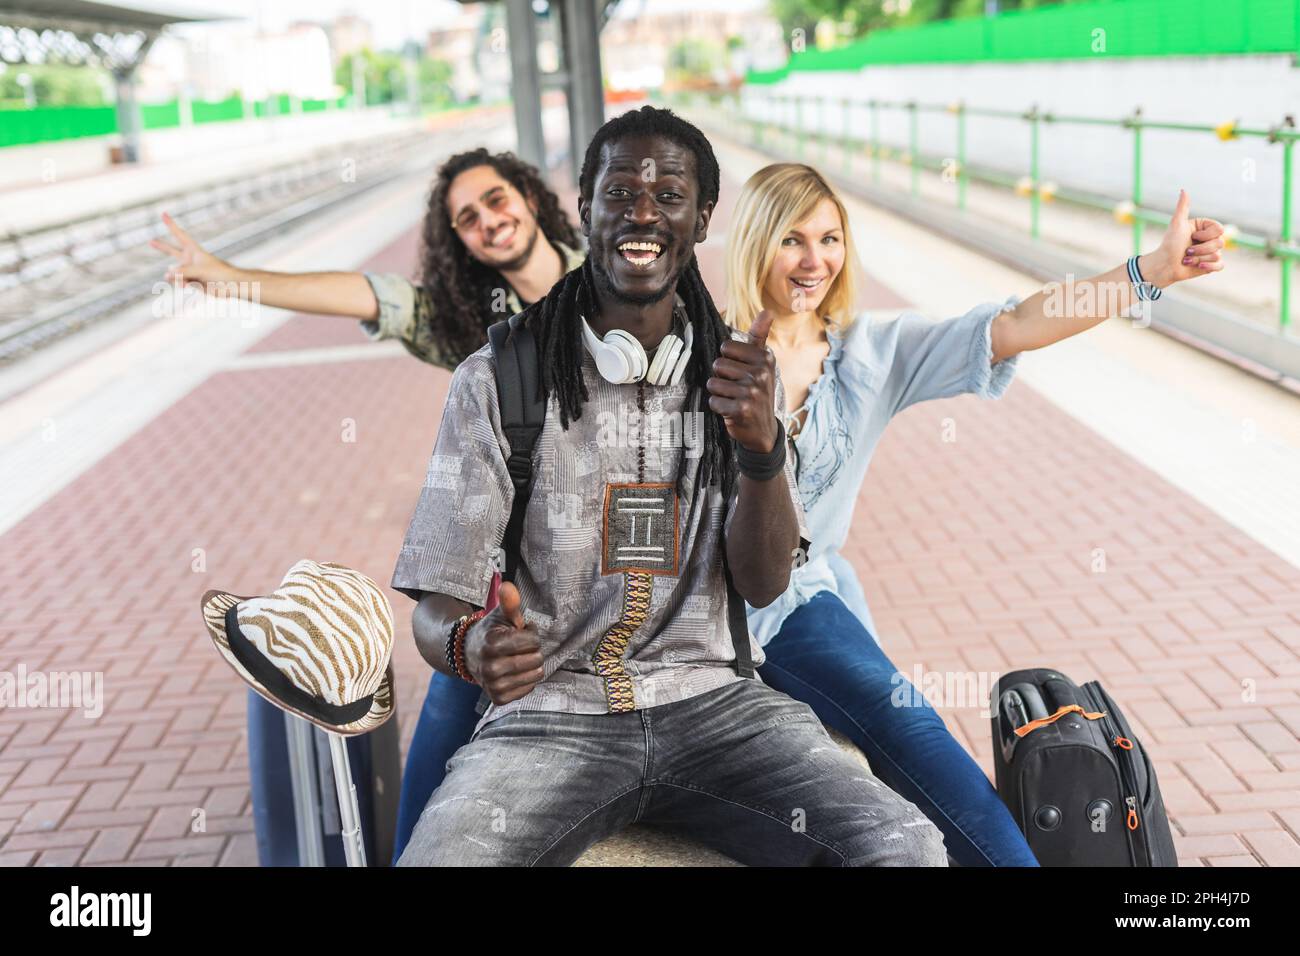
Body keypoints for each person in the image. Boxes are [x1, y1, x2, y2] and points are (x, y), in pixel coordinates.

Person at [391, 106, 948, 866]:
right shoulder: (500, 380)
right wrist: (466, 642)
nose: (642, 214)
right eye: (619, 193)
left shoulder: (741, 374)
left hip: (718, 708)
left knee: (904, 844)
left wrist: (761, 453)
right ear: (585, 205)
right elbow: (436, 605)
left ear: (703, 216)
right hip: (555, 715)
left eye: (669, 196)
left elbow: (762, 582)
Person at [722, 161, 1227, 866]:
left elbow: (1017, 322)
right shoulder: (708, 357)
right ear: (755, 244)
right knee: (906, 736)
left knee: (906, 739)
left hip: (810, 600)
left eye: (830, 239)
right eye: (792, 241)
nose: (816, 262)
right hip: (731, 610)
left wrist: (1146, 272)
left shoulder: (874, 352)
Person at [150, 148, 584, 369]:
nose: (490, 221)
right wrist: (227, 277)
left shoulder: (613, 274)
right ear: (462, 243)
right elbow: (366, 294)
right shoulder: (469, 324)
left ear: (527, 197)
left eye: (496, 199)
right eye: (469, 218)